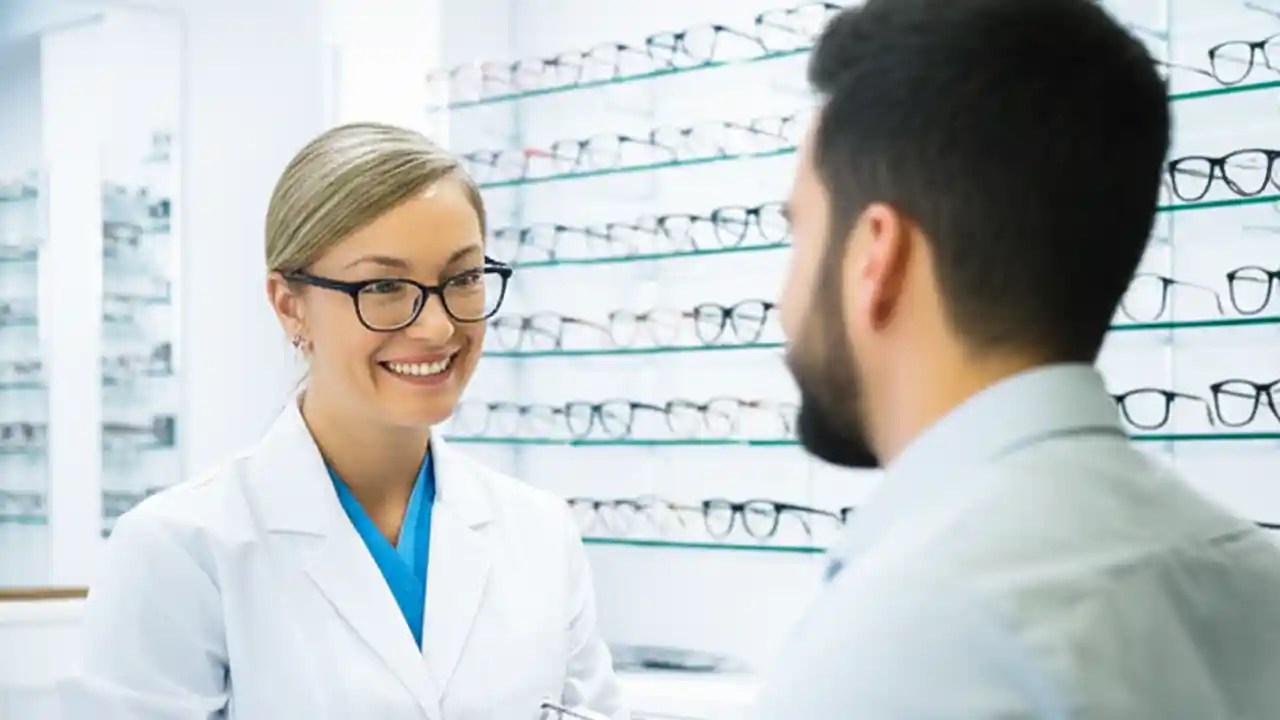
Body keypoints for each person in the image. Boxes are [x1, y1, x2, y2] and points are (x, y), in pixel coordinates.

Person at [757, 0, 1280, 717]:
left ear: (875, 257)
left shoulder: (901, 640)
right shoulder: (1251, 581)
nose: (784, 300)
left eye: (799, 234)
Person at [61, 123, 628, 720]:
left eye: (461, 279)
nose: (437, 326)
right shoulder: (183, 549)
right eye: (384, 286)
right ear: (289, 305)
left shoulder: (540, 533)